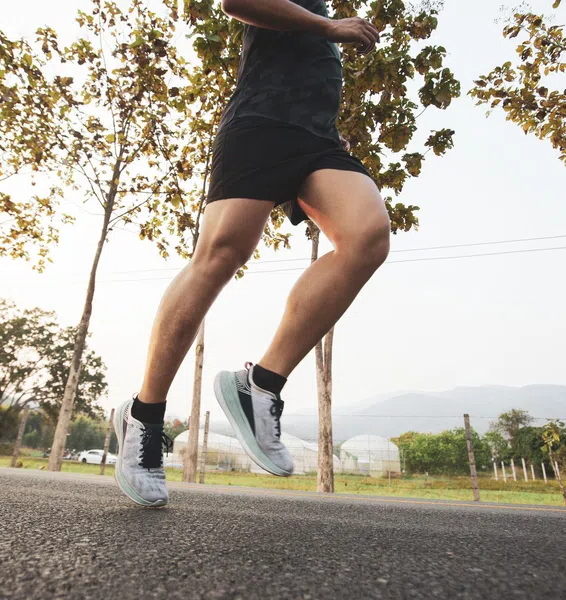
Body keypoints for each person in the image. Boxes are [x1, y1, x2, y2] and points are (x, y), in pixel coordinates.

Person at [114, 0, 388, 507]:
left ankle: (259, 386)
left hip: (319, 140)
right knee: (221, 254)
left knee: (367, 238)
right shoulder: (322, 16)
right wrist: (331, 28)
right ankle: (144, 416)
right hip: (261, 123)